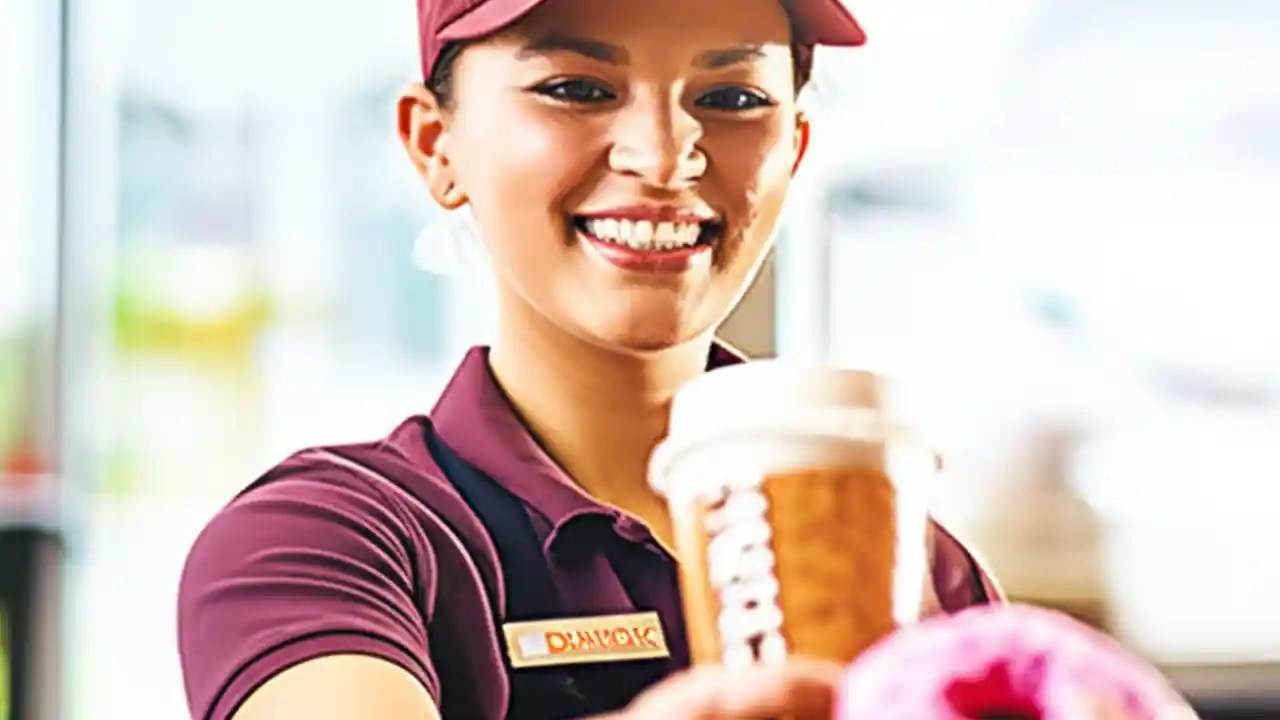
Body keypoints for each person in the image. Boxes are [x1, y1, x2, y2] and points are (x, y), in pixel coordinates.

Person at [177, 0, 1001, 718]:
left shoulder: (915, 566)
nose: (665, 155)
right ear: (435, 144)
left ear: (795, 148)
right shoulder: (324, 547)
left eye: (733, 97)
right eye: (577, 89)